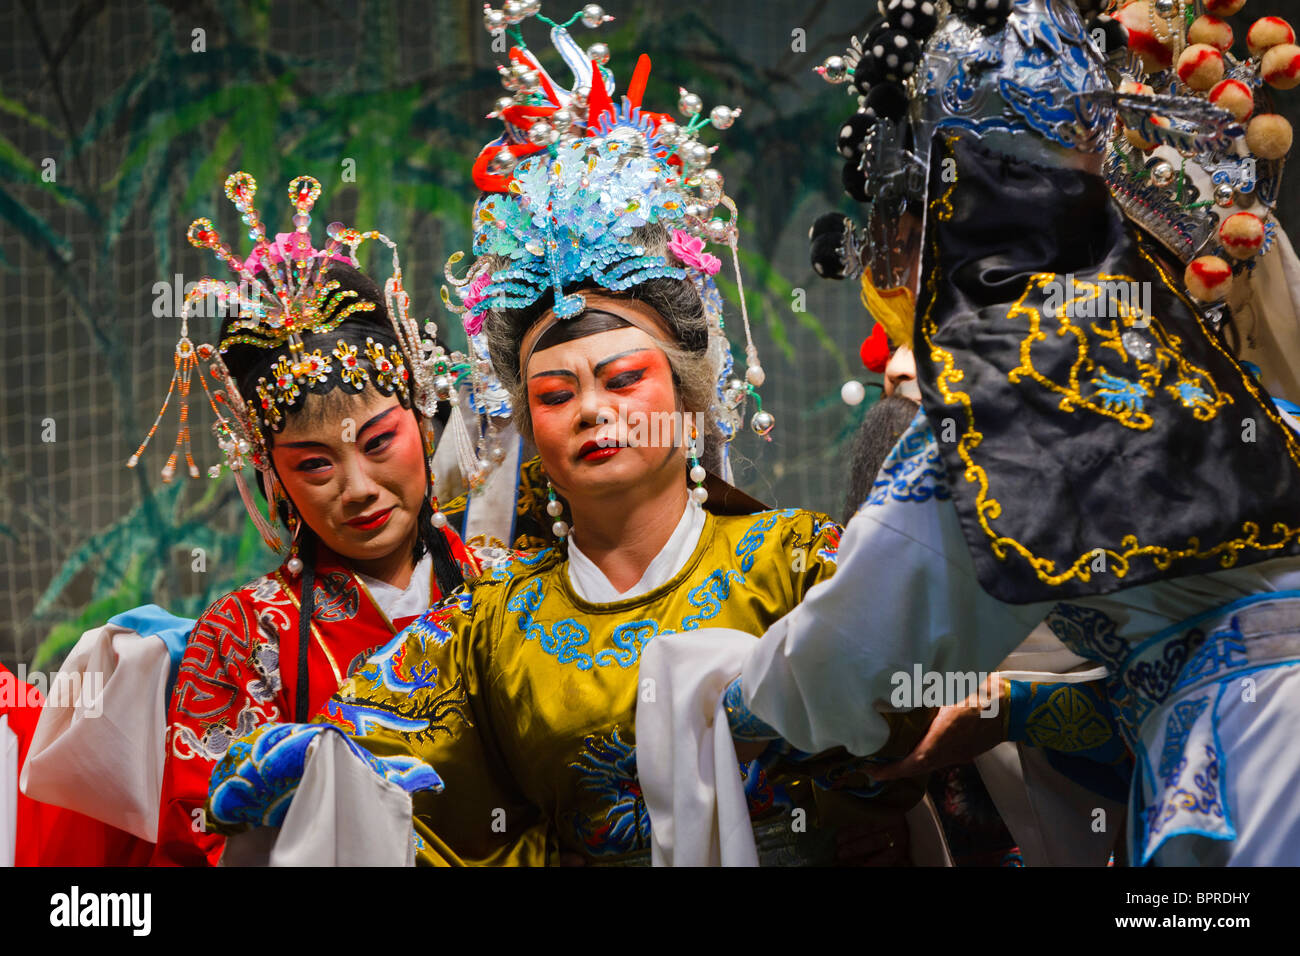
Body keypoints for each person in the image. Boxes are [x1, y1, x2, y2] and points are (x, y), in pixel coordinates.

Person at [203, 13, 947, 867]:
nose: (593, 409)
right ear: (526, 421)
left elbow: (921, 713)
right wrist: (300, 769)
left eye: (624, 378)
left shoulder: (799, 565)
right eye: (556, 393)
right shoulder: (485, 630)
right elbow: (368, 768)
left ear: (688, 393)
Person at [641, 0, 1300, 866]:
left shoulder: (1014, 377)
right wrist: (1014, 708)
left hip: (1259, 767)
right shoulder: (1180, 335)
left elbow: (853, 648)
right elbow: (1203, 627)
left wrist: (710, 704)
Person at [23, 172, 480, 867]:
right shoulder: (240, 636)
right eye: (314, 464)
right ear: (273, 477)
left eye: (380, 442)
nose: (358, 488)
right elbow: (203, 836)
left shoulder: (510, 588)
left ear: (422, 416)